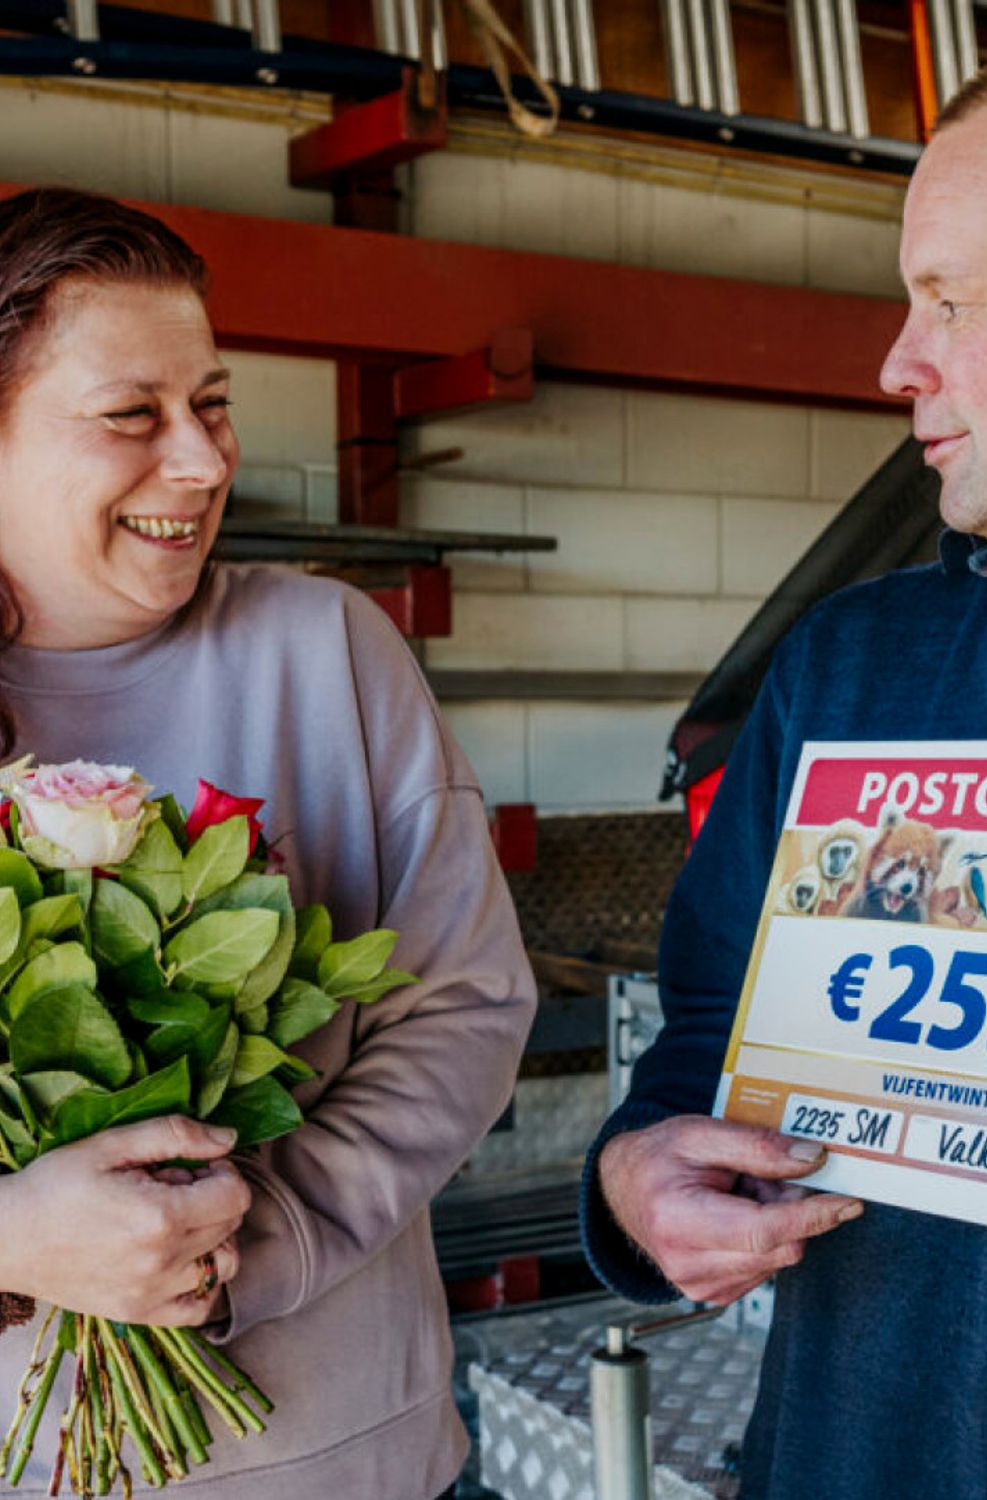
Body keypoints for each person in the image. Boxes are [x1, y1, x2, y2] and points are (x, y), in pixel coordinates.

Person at [582, 19, 987, 1499]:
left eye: (949, 299)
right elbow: (709, 1032)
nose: (896, 361)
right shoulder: (850, 667)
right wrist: (638, 1177)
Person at [0, 186, 536, 1498]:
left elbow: (464, 1006)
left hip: (343, 1460)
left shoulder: (325, 649)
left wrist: (244, 1245)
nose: (202, 460)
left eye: (213, 403)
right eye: (133, 415)